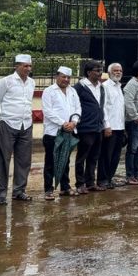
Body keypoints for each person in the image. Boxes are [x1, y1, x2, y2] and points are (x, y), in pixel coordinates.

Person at [0, 54, 36, 204]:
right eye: (25, 66)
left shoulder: (31, 82)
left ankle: (19, 191)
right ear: (16, 66)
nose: (28, 69)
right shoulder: (5, 82)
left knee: (24, 160)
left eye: (30, 66)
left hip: (26, 124)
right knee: (3, 160)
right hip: (7, 123)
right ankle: (0, 194)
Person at [40, 67, 80, 199]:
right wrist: (63, 123)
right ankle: (48, 189)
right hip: (53, 132)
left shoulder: (72, 91)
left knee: (65, 161)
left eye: (68, 77)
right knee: (51, 161)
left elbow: (78, 108)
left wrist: (73, 122)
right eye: (63, 77)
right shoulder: (49, 91)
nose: (66, 80)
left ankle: (65, 187)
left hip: (69, 131)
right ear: (57, 76)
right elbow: (48, 111)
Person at [73, 61, 111, 193]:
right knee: (82, 157)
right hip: (85, 127)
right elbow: (74, 106)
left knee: (94, 157)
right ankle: (80, 184)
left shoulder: (101, 87)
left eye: (101, 70)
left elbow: (103, 107)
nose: (100, 72)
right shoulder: (79, 87)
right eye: (97, 70)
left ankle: (90, 182)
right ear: (89, 72)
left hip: (98, 127)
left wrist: (106, 125)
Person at [97, 63, 126, 189]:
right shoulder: (105, 87)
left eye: (120, 70)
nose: (118, 73)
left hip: (120, 126)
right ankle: (102, 180)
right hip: (110, 127)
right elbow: (103, 108)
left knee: (115, 156)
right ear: (109, 73)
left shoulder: (119, 87)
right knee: (105, 155)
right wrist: (106, 126)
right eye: (115, 70)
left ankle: (109, 178)